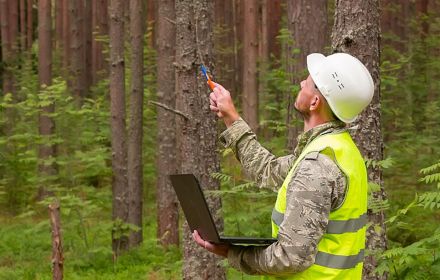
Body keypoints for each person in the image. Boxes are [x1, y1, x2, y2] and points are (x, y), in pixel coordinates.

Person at [192, 52, 374, 279]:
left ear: (315, 101)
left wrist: (232, 253)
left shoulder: (317, 166)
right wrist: (230, 118)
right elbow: (269, 170)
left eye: (307, 82)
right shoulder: (339, 150)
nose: (301, 83)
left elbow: (290, 258)